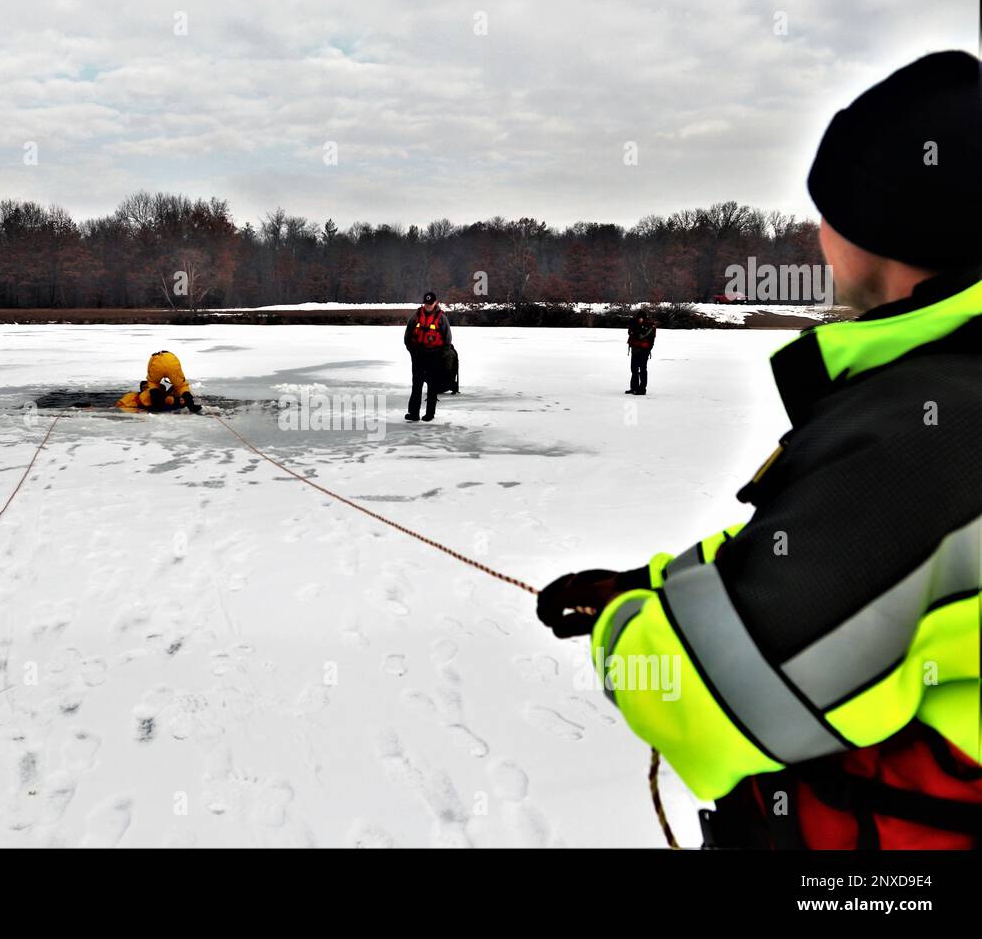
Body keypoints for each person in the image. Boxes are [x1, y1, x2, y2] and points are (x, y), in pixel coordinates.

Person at [536, 51, 981, 849]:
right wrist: (656, 581)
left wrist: (624, 625)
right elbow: (847, 563)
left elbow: (710, 694)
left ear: (884, 234)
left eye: (829, 212)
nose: (818, 236)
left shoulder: (927, 427)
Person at [403, 291, 451, 421]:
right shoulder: (416, 316)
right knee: (416, 384)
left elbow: (447, 340)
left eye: (430, 304)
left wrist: (441, 356)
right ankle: (414, 414)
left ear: (435, 303)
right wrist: (412, 350)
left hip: (434, 355)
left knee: (432, 385)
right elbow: (408, 335)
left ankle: (430, 414)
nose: (428, 306)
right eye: (426, 304)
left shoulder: (441, 318)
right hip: (418, 355)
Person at [625, 314, 656, 395]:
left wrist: (648, 349)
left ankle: (642, 389)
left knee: (642, 369)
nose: (639, 320)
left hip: (644, 350)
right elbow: (631, 334)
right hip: (635, 349)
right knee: (634, 369)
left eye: (641, 318)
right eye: (638, 318)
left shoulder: (649, 326)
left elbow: (650, 339)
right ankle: (634, 388)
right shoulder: (635, 325)